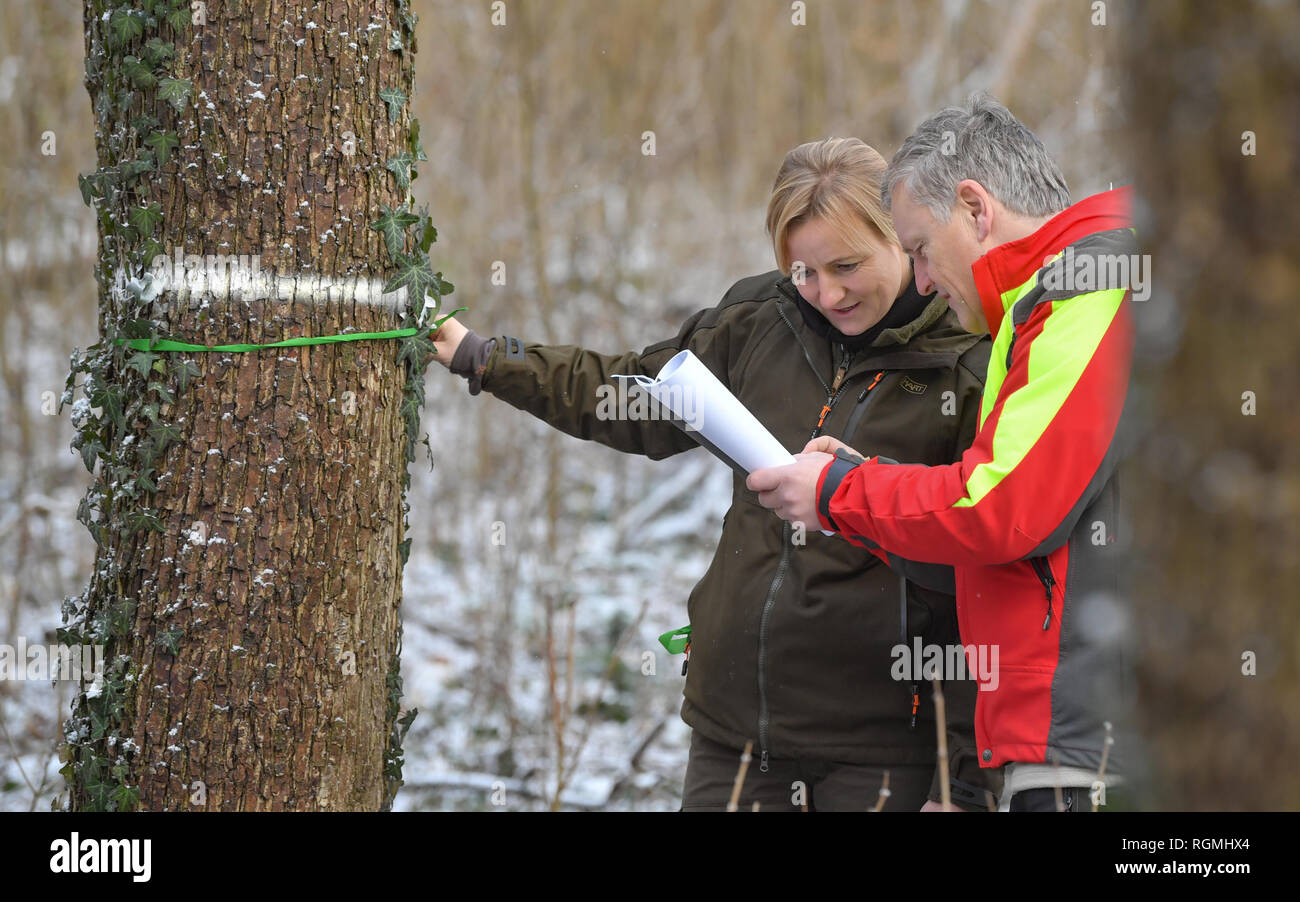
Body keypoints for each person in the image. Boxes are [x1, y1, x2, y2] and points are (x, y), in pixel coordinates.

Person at [430, 138, 998, 810]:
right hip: (736, 731)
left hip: (885, 749)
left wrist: (964, 781)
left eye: (847, 265)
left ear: (902, 240)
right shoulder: (759, 320)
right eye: (804, 272)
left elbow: (987, 579)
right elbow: (629, 396)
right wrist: (485, 358)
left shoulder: (969, 367)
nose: (828, 293)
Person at [748, 96, 1135, 811]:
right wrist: (862, 489)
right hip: (1062, 747)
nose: (920, 280)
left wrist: (840, 495)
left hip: (1092, 754)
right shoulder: (1044, 307)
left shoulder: (1089, 293)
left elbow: (1004, 511)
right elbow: (1002, 537)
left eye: (922, 249)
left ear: (975, 208)